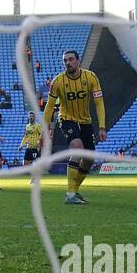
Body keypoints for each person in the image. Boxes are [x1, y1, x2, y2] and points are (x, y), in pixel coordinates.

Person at [43, 50, 106, 205]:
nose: (67, 63)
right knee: (77, 148)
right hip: (66, 119)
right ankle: (70, 194)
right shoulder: (58, 81)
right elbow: (49, 107)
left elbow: (99, 103)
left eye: (70, 59)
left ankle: (74, 190)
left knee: (89, 158)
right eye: (65, 60)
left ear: (78, 61)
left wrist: (102, 127)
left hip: (85, 121)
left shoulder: (90, 77)